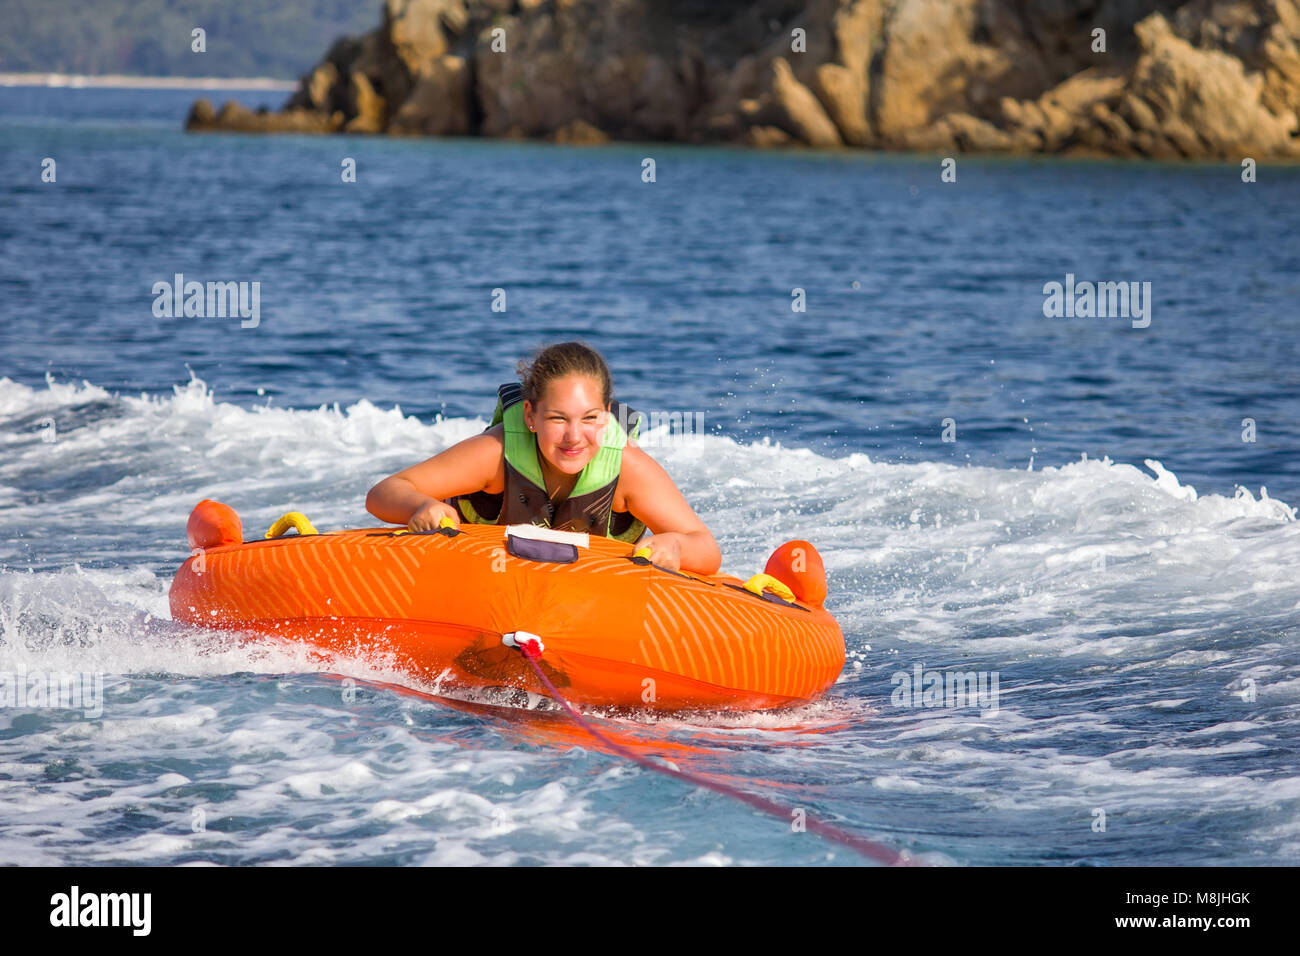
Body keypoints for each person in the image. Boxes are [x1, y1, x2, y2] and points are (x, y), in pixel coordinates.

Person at [365, 342, 721, 575]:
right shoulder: (496, 453)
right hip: (480, 577)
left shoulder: (627, 467)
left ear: (607, 414)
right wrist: (420, 506)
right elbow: (385, 491)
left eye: (589, 418)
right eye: (557, 418)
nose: (574, 436)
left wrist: (673, 544)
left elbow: (705, 548)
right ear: (531, 416)